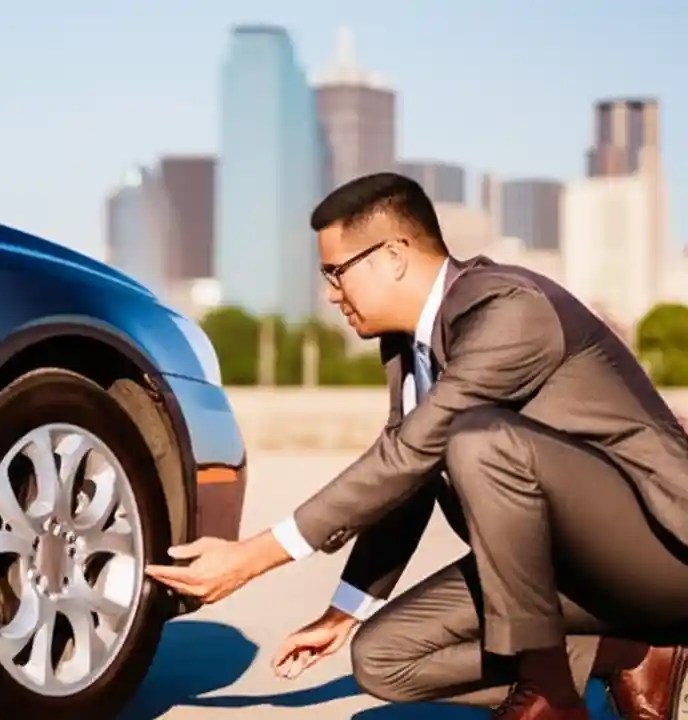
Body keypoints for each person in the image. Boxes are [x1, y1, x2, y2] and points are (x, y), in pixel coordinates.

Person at [145, 172, 688, 719]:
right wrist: (343, 611)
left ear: (394, 256)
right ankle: (632, 653)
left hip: (661, 556)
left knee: (478, 440)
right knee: (383, 659)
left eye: (336, 273)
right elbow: (404, 482)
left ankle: (550, 690)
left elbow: (410, 453)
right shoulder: (408, 348)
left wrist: (252, 557)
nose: (330, 294)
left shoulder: (509, 309)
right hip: (562, 578)